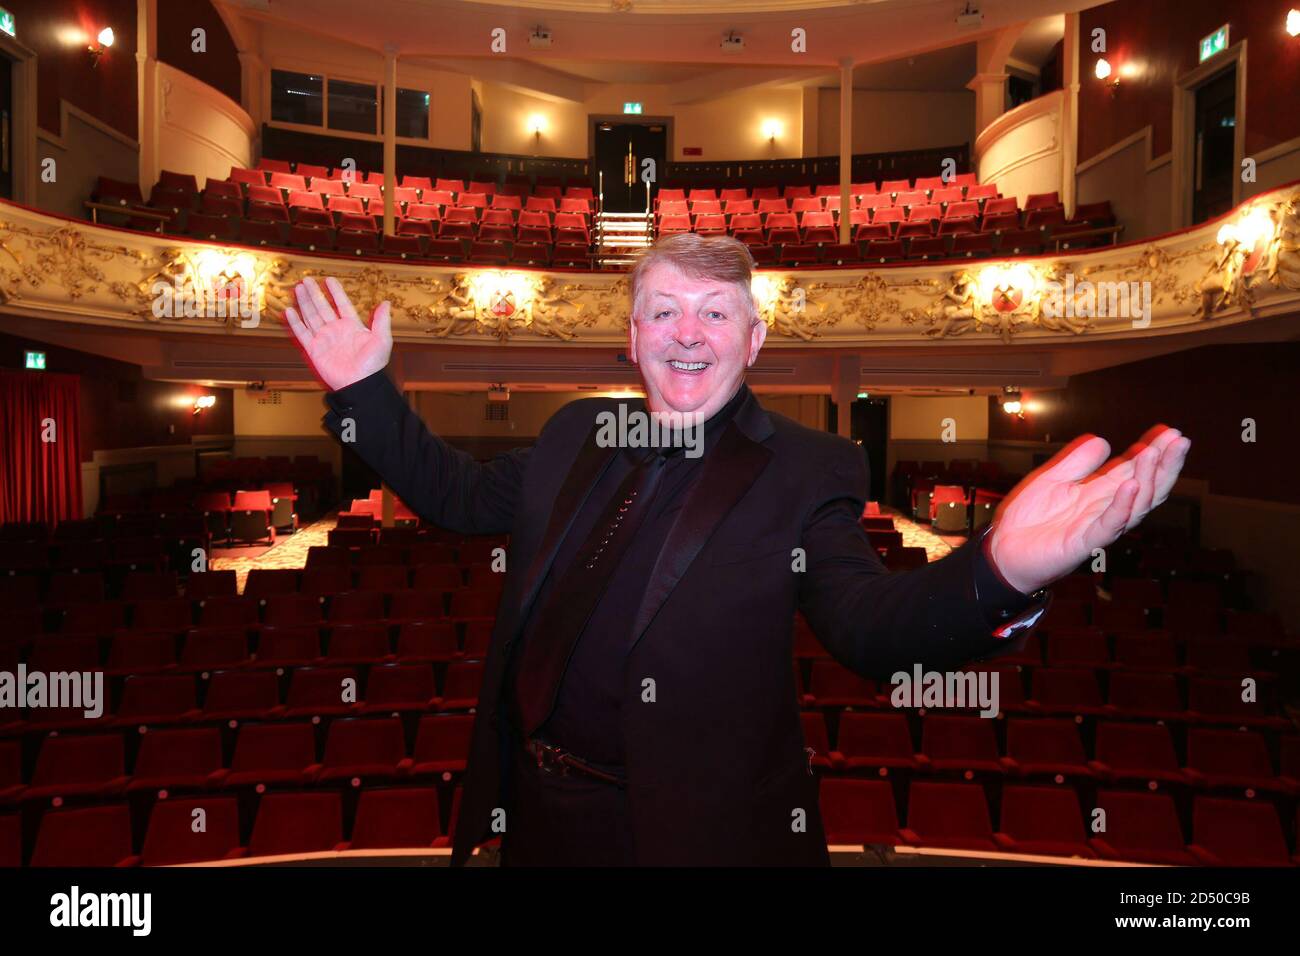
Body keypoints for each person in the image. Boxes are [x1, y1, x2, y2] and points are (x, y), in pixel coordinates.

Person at [284, 233, 1190, 866]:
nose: (688, 333)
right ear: (631, 337)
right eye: (665, 311)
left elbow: (869, 630)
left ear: (753, 341)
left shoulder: (811, 467)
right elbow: (455, 495)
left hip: (695, 830)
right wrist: (367, 390)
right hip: (543, 812)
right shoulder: (573, 434)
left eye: (716, 314)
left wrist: (1000, 568)